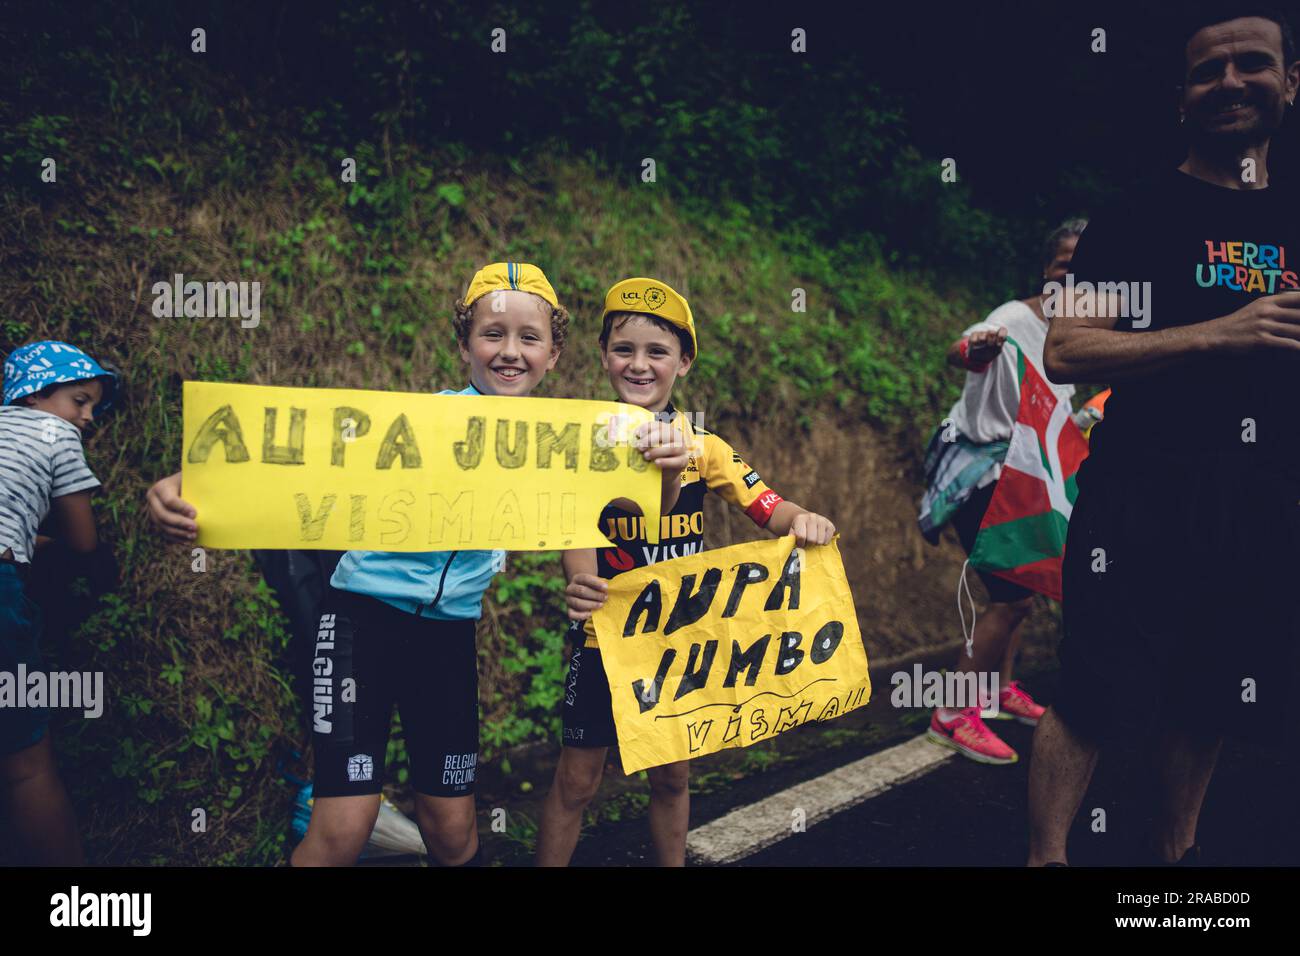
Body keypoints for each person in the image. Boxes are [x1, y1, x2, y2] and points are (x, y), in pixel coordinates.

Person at [145, 262, 685, 866]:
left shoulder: (564, 437)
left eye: (529, 338)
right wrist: (185, 484)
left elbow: (644, 508)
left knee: (454, 835)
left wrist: (665, 467)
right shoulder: (415, 420)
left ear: (554, 354)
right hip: (360, 623)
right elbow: (295, 459)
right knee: (346, 825)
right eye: (492, 334)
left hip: (448, 635)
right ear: (463, 344)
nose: (510, 352)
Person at [1030, 6, 1300, 866]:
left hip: (1263, 499)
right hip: (1142, 493)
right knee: (1092, 692)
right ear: (1182, 99)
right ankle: (1047, 860)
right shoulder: (1134, 214)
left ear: (1290, 82)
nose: (1229, 83)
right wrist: (1218, 331)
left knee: (1213, 696)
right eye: (1206, 71)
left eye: (1251, 64)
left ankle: (1170, 869)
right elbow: (1066, 347)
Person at [535, 277, 836, 867]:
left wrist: (808, 521)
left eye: (658, 352)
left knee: (672, 778)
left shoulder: (704, 449)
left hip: (677, 641)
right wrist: (577, 579)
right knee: (576, 783)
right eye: (624, 350)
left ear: (685, 363)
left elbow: (771, 508)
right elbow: (572, 524)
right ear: (602, 356)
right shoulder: (578, 442)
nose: (639, 365)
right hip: (603, 640)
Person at [917, 221, 1088, 764]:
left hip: (1029, 480)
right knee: (1012, 598)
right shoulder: (1013, 319)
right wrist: (980, 347)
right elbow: (963, 351)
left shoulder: (1081, 335)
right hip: (984, 474)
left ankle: (996, 691)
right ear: (1048, 269)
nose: (1075, 271)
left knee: (1023, 586)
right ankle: (952, 711)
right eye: (1065, 261)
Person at [1, 340, 116, 865]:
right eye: (80, 400)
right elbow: (82, 540)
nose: (88, 417)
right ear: (35, 396)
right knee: (25, 767)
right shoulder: (57, 433)